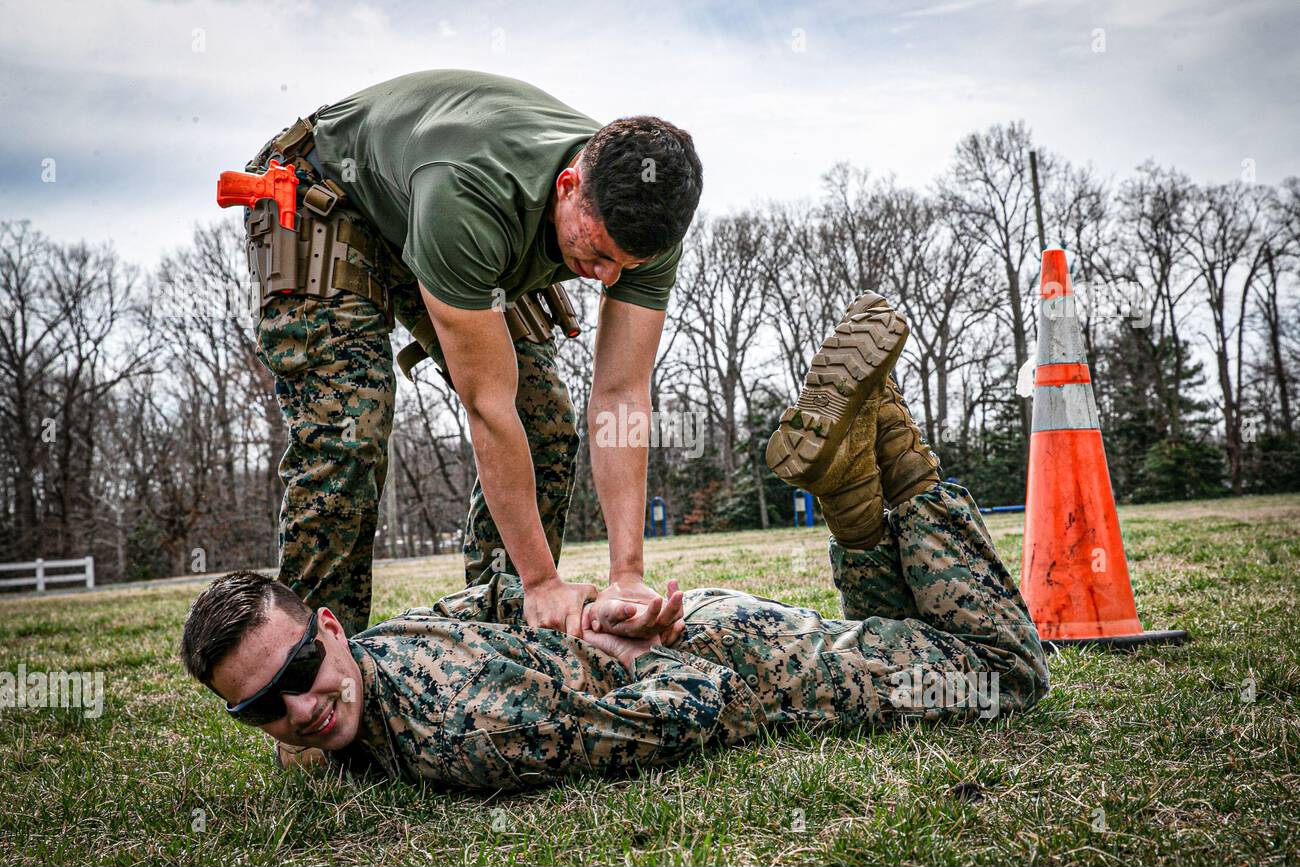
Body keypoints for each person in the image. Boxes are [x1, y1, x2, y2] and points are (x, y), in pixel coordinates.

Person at [180, 293, 1049, 790]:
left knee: (1003, 674)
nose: (300, 709)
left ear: (328, 627)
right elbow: (494, 602)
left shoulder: (470, 734)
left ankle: (903, 460)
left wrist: (626, 644)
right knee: (911, 644)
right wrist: (587, 613)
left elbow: (697, 698)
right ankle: (861, 483)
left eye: (298, 674)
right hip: (695, 631)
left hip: (750, 667)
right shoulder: (386, 647)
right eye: (262, 708)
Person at [241, 70, 703, 640]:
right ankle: (311, 669)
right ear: (567, 185)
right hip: (331, 194)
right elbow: (488, 404)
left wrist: (627, 574)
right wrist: (542, 579)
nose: (608, 277)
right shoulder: (469, 195)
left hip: (441, 214)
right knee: (349, 429)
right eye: (599, 252)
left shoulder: (647, 223)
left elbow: (621, 395)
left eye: (625, 267)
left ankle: (506, 641)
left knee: (544, 421)